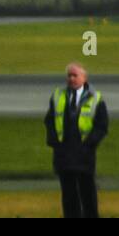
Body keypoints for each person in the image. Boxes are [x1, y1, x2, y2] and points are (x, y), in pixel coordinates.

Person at [44, 62, 109, 218]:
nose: (71, 79)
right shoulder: (58, 96)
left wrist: (89, 144)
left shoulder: (96, 99)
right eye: (69, 75)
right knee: (68, 195)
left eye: (75, 75)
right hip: (64, 154)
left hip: (84, 154)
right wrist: (55, 142)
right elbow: (49, 120)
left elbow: (102, 125)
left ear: (84, 78)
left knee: (88, 194)